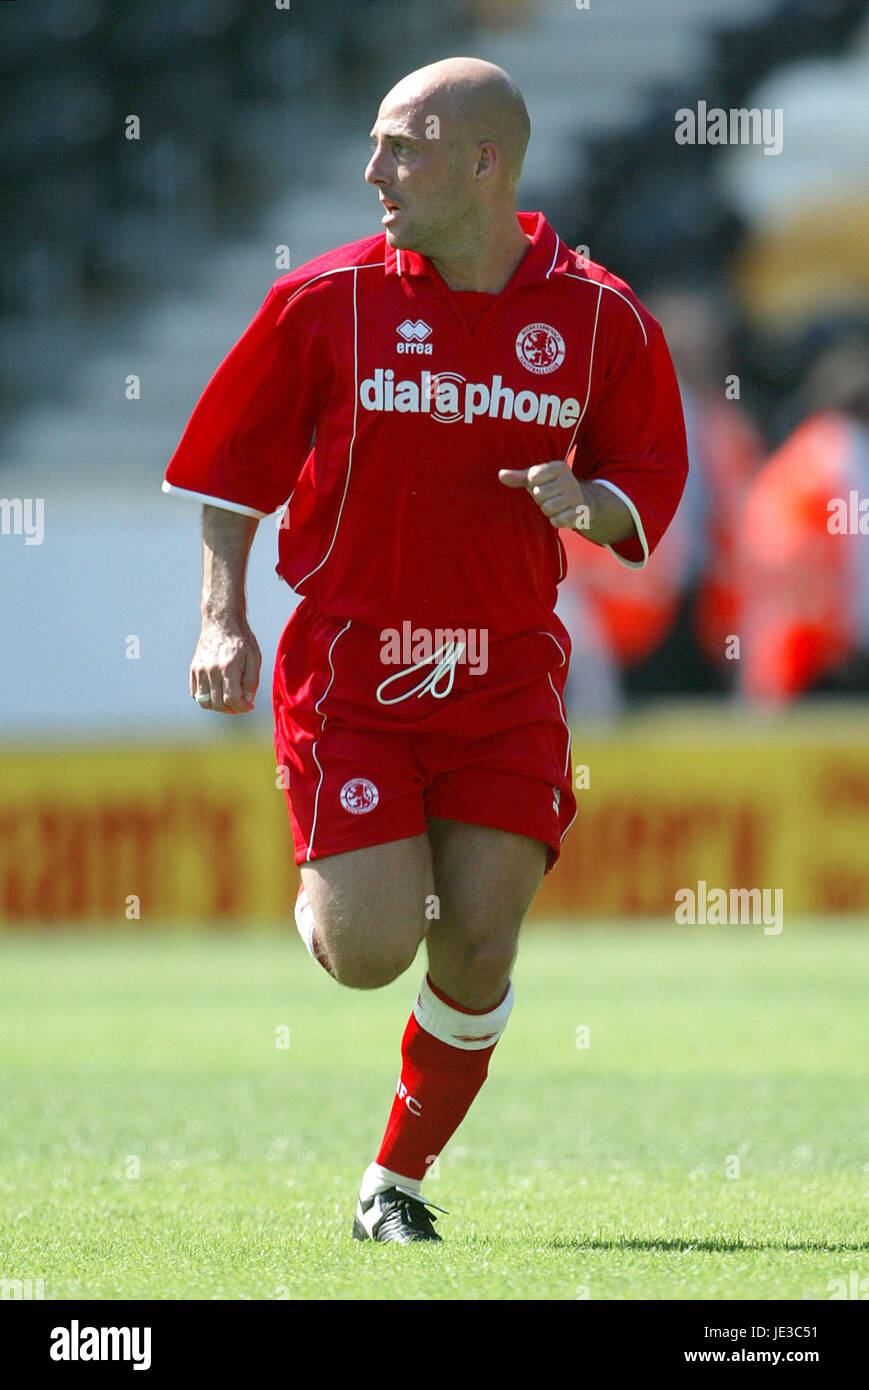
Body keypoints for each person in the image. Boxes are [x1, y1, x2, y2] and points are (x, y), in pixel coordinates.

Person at [163, 56, 688, 1243]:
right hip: (356, 666)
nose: (373, 171)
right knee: (365, 952)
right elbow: (226, 470)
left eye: (401, 146)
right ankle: (336, 872)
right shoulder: (324, 300)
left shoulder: (599, 313)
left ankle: (391, 1180)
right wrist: (219, 614)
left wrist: (584, 503)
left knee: (482, 939)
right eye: (375, 143)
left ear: (482, 162)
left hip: (504, 670)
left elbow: (644, 484)